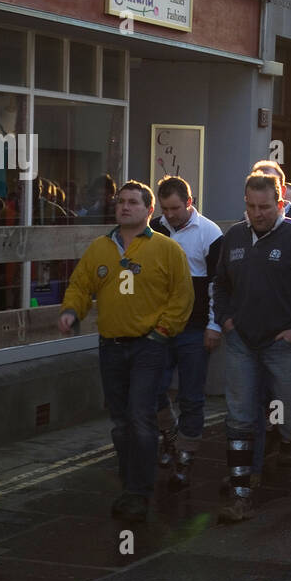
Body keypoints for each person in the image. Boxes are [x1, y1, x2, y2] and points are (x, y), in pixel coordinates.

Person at [58, 181, 192, 521]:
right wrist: (72, 311)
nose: (124, 207)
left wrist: (161, 333)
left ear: (149, 210)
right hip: (111, 347)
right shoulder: (100, 249)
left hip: (149, 346)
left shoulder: (167, 249)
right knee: (120, 423)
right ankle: (129, 485)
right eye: (120, 202)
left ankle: (139, 493)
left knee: (140, 418)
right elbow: (80, 284)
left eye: (133, 202)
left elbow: (182, 297)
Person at [211, 171, 291, 522]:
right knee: (239, 418)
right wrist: (226, 318)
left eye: (265, 207)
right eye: (251, 206)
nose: (257, 213)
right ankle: (241, 496)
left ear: (281, 203)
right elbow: (221, 284)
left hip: (284, 344)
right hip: (241, 342)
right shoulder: (234, 236)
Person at [150, 176, 224, 486]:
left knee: (192, 397)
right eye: (165, 209)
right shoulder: (154, 228)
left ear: (189, 203)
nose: (170, 215)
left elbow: (219, 284)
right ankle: (169, 433)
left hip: (194, 328)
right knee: (153, 387)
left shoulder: (210, 233)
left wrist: (213, 325)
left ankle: (186, 456)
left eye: (176, 208)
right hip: (160, 326)